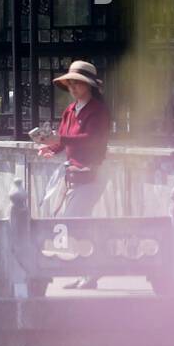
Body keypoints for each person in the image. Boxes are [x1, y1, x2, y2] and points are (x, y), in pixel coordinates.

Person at [37, 60, 112, 289]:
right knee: (77, 222)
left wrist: (59, 141)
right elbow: (65, 138)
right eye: (71, 84)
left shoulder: (98, 111)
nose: (73, 88)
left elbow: (91, 139)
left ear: (89, 86)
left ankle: (93, 269)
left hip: (93, 172)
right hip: (74, 173)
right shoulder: (70, 110)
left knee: (75, 220)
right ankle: (87, 272)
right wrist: (51, 148)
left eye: (78, 84)